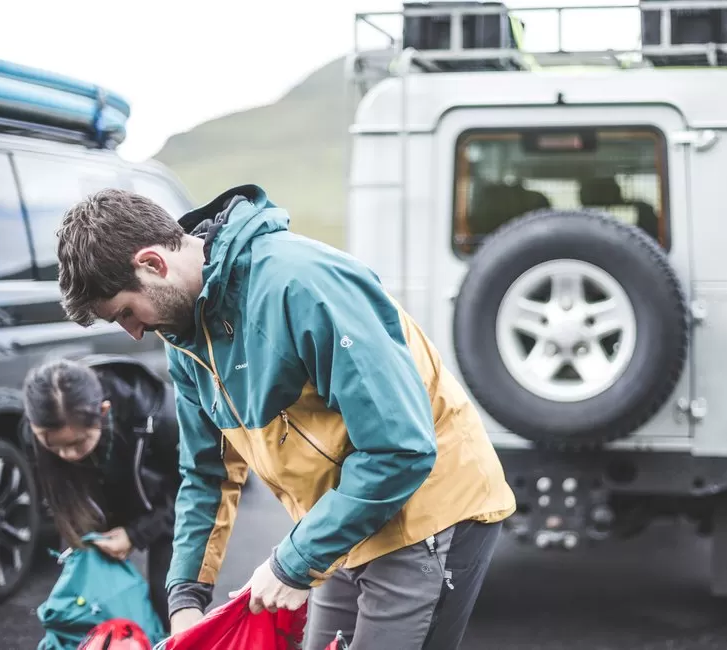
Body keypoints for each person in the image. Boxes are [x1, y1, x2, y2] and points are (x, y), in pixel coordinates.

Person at [53, 185, 517, 650]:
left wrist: (292, 562)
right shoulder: (184, 338)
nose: (134, 335)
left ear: (152, 264)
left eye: (126, 313)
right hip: (342, 517)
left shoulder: (301, 284)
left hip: (430, 508)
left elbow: (400, 448)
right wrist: (186, 598)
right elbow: (206, 473)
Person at [20, 355, 182, 631]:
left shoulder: (162, 417)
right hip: (98, 502)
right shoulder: (38, 427)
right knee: (86, 596)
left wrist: (135, 534)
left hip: (164, 505)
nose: (67, 455)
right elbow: (59, 497)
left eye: (78, 443)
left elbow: (193, 494)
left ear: (103, 412)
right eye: (53, 446)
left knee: (167, 596)